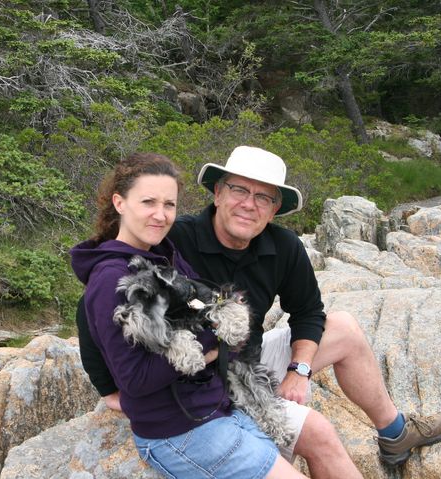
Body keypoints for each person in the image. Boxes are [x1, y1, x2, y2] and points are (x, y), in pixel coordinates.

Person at [76, 146, 441, 477]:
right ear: (218, 193)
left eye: (264, 197)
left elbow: (309, 312)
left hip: (245, 361)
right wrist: (110, 391)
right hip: (205, 378)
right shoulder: (173, 237)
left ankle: (394, 432)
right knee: (321, 433)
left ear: (276, 208)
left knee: (344, 328)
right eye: (240, 189)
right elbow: (96, 307)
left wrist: (299, 371)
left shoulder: (284, 246)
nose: (249, 204)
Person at [70, 152, 308, 478]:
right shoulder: (113, 277)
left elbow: (200, 305)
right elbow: (135, 379)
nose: (160, 215)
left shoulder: (163, 256)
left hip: (211, 406)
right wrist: (213, 339)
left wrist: (215, 321)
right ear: (120, 203)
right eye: (148, 202)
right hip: (178, 429)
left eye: (169, 204)